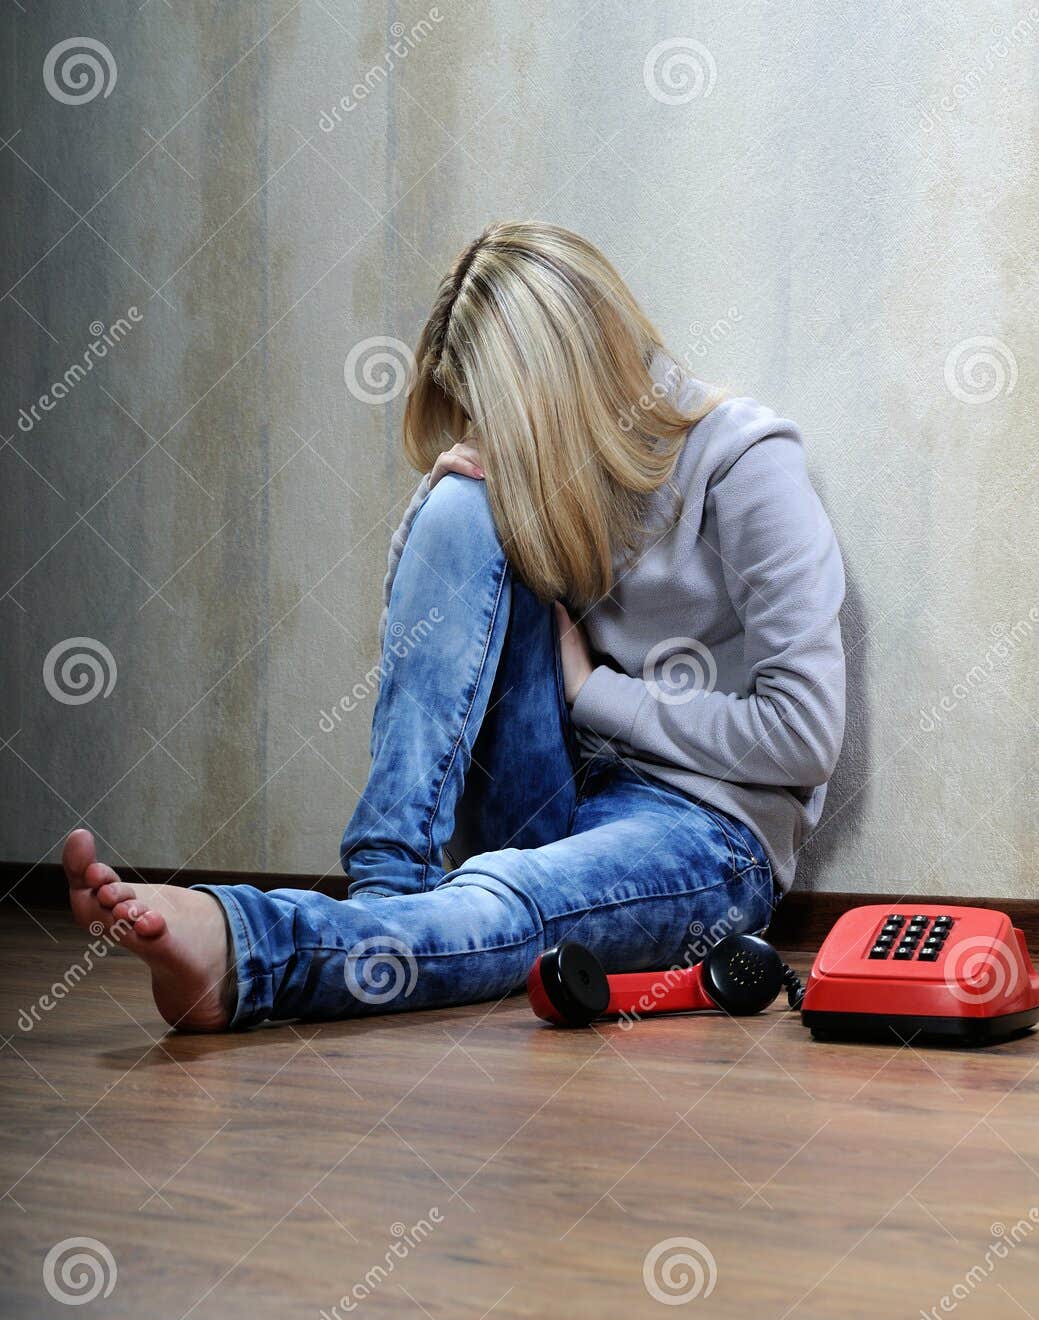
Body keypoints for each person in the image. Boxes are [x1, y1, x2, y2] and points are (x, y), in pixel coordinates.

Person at [62, 221, 845, 1032]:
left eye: (498, 422)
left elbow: (805, 735)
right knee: (463, 500)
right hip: (551, 793)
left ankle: (250, 947)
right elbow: (441, 669)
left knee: (515, 901)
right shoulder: (546, 475)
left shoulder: (749, 465)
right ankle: (385, 898)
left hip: (700, 832)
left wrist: (596, 694)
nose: (495, 443)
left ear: (557, 392)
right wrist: (431, 514)